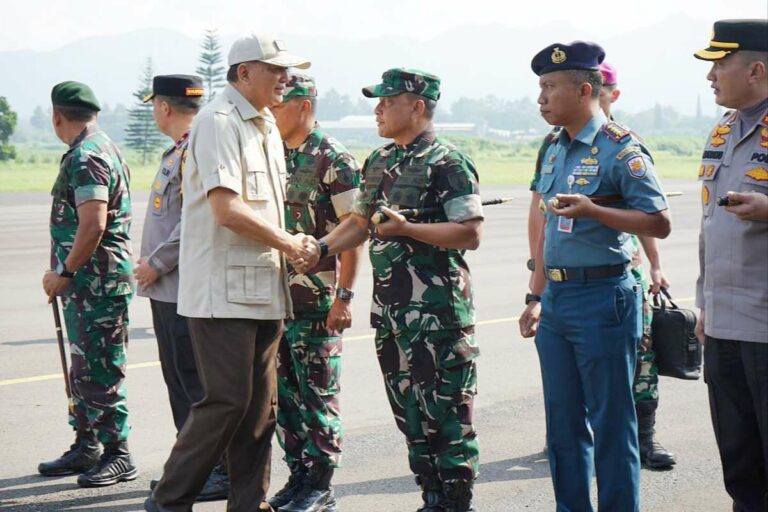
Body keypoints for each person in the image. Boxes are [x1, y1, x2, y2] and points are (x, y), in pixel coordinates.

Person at [295, 68, 483, 512]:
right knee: (409, 413)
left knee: (448, 413)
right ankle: (430, 495)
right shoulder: (379, 160)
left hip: (439, 315)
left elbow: (469, 232)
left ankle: (456, 500)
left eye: (387, 101)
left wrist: (408, 228)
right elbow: (358, 225)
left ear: (416, 106)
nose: (377, 109)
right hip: (393, 314)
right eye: (377, 101)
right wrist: (319, 248)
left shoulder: (448, 162)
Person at [144, 34, 313, 512]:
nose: (287, 78)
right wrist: (289, 243)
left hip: (262, 287)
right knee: (225, 401)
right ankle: (169, 500)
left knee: (259, 413)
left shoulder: (262, 124)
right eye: (276, 69)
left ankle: (248, 503)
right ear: (243, 72)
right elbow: (227, 208)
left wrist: (288, 246)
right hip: (222, 292)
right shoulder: (219, 121)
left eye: (289, 71)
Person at [519, 42, 670, 511]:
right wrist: (535, 294)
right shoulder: (552, 146)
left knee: (611, 424)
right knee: (562, 426)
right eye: (539, 87)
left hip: (605, 296)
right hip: (558, 298)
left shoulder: (621, 148)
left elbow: (658, 221)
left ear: (585, 90)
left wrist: (596, 212)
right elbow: (546, 228)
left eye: (549, 88)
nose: (541, 98)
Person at [266, 73, 363, 512]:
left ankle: (321, 484)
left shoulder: (333, 159)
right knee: (284, 396)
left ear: (304, 106)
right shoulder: (272, 155)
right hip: (275, 300)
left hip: (318, 302)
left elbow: (354, 233)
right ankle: (298, 475)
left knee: (318, 396)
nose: (270, 112)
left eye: (279, 105)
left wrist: (344, 296)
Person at [135, 74, 229, 502]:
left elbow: (196, 218)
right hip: (168, 289)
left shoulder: (193, 150)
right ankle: (192, 470)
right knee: (179, 383)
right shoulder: (178, 150)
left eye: (154, 104)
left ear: (164, 107)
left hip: (182, 288)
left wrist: (155, 263)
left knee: (193, 386)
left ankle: (215, 472)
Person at [39, 81, 137, 488]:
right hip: (90, 283)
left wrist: (64, 272)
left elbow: (93, 222)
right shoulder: (103, 148)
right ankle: (88, 443)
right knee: (84, 368)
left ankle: (118, 453)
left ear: (57, 115)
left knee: (98, 369)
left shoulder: (86, 156)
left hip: (95, 283)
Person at [693, 19, 768, 512]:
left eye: (721, 64)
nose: (711, 75)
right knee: (739, 457)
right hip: (723, 323)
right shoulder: (723, 128)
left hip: (765, 324)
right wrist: (703, 307)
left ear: (756, 70)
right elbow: (710, 229)